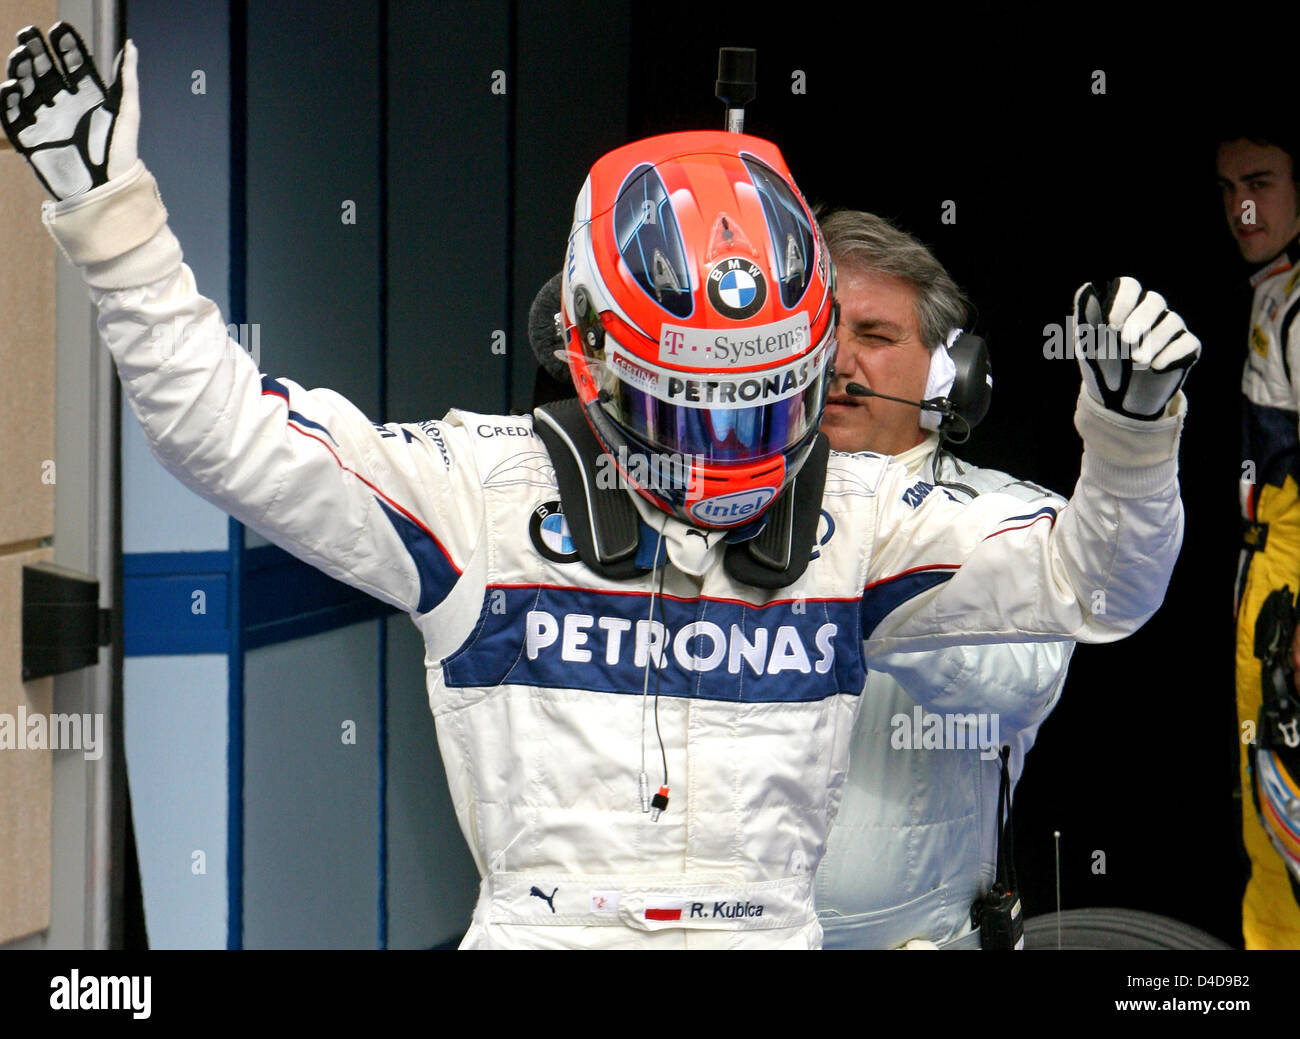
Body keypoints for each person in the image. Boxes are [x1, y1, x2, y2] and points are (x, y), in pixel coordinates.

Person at [3, 25, 1198, 949]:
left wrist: (1135, 435)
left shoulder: (866, 519)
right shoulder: (477, 492)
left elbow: (1098, 587)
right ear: (581, 348)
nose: (730, 437)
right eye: (693, 400)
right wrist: (113, 223)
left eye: (768, 395)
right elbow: (224, 431)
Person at [811, 210, 1073, 949]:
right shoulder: (715, 513)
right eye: (820, 327)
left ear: (947, 372)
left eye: (873, 335)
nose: (837, 359)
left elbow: (1016, 683)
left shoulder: (1014, 516)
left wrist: (858, 567)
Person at [1217, 129, 1300, 949]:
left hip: (1289, 582)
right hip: (1265, 568)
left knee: (1286, 813)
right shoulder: (1277, 286)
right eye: (1227, 186)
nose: (1242, 206)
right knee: (1268, 818)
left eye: (1261, 182)